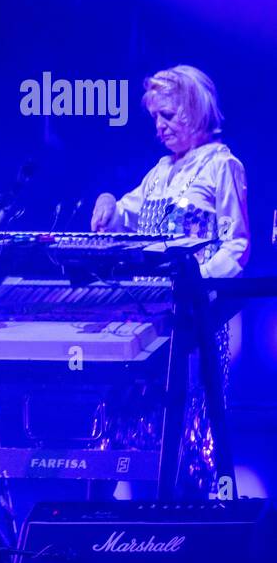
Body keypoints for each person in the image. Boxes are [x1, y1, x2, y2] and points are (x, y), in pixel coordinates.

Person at [92, 65, 249, 491]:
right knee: (138, 417)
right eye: (155, 119)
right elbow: (126, 213)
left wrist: (198, 287)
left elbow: (236, 246)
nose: (159, 128)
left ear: (194, 111)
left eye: (167, 116)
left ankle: (189, 514)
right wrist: (108, 202)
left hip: (194, 318)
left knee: (190, 421)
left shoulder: (222, 165)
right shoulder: (160, 172)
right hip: (148, 315)